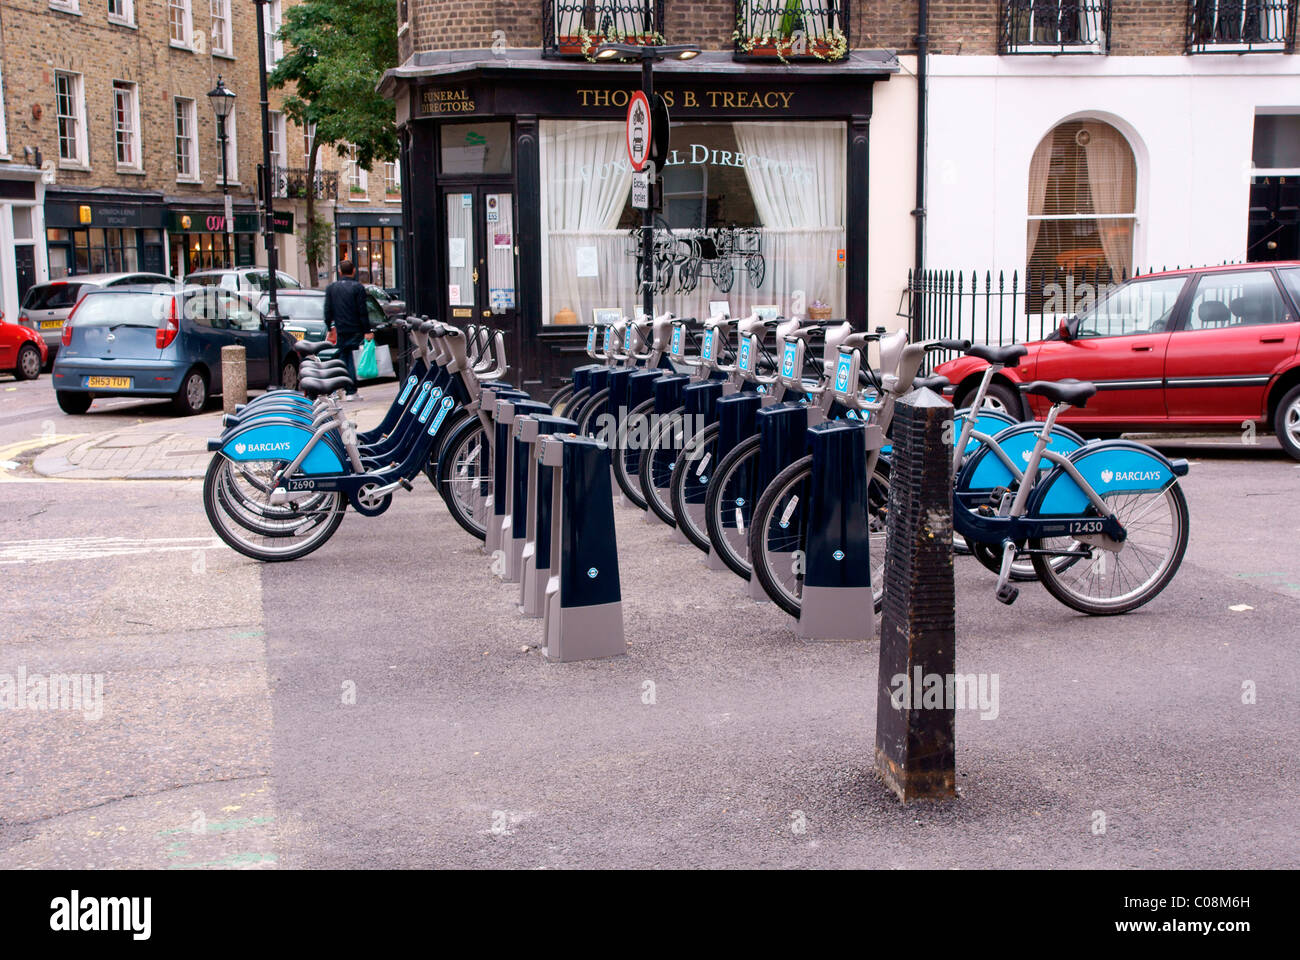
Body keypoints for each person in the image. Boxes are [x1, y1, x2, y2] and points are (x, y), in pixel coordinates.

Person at [323, 259, 373, 400]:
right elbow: (362, 311)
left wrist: (329, 326)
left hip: (340, 328)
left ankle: (342, 388)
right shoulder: (358, 288)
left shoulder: (332, 288)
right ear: (353, 271)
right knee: (349, 357)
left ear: (340, 271)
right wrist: (367, 330)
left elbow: (328, 309)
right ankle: (350, 390)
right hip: (355, 328)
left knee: (344, 356)